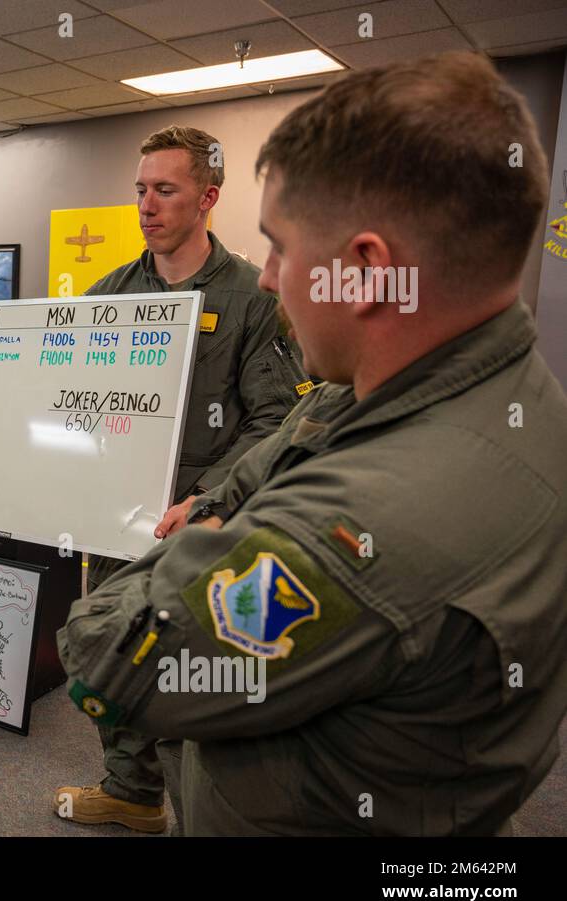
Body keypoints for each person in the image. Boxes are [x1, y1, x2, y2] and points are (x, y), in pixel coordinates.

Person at [58, 51, 567, 835]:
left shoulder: (356, 526)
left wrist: (204, 535)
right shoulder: (511, 398)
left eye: (283, 248)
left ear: (365, 272)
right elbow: (299, 428)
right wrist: (227, 505)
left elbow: (108, 656)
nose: (269, 279)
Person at [58, 125, 310, 833]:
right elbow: (79, 407)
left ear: (207, 197)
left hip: (200, 525)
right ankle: (131, 793)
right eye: (140, 189)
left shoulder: (252, 299)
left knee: (186, 679)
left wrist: (210, 496)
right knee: (113, 656)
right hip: (116, 516)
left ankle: (201, 817)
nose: (146, 204)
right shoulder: (109, 294)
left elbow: (274, 422)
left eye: (163, 190)